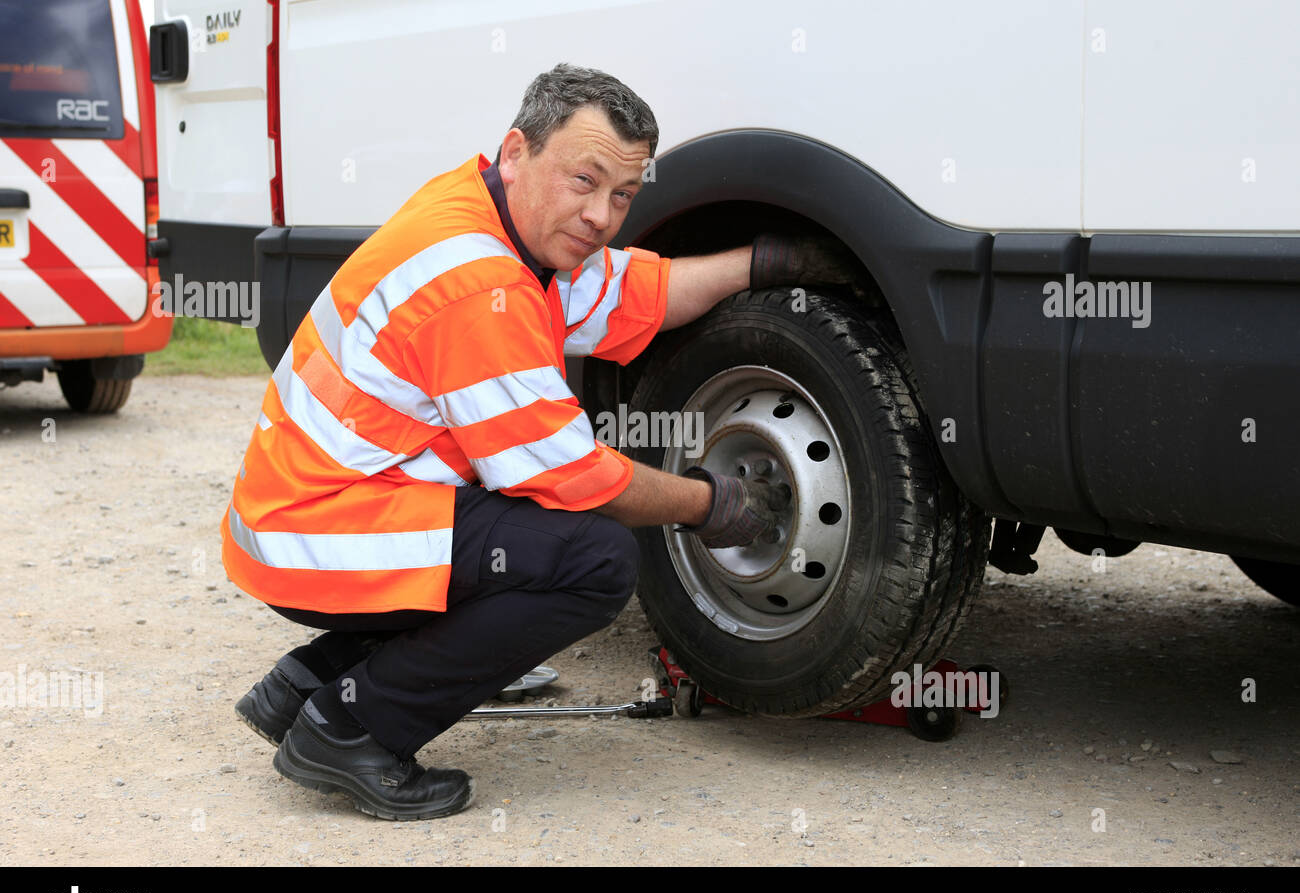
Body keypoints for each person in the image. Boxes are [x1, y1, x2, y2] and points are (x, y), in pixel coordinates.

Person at [225, 63, 843, 820]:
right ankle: (351, 728)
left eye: (622, 195)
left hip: (316, 509)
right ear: (516, 151)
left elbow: (636, 292)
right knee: (590, 561)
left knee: (511, 531)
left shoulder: (492, 214)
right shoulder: (476, 280)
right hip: (317, 532)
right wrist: (713, 506)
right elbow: (576, 477)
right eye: (583, 180)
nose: (601, 215)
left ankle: (302, 688)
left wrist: (764, 264)